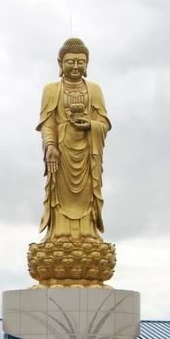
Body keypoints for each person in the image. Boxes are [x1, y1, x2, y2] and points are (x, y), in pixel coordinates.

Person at [36, 37, 112, 240]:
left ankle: (87, 232)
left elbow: (103, 123)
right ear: (60, 63)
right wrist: (51, 145)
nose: (76, 66)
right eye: (71, 61)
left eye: (81, 62)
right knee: (60, 194)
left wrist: (91, 125)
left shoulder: (94, 90)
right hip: (61, 153)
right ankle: (59, 233)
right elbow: (47, 123)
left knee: (87, 192)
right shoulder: (51, 90)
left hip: (87, 152)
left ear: (87, 64)